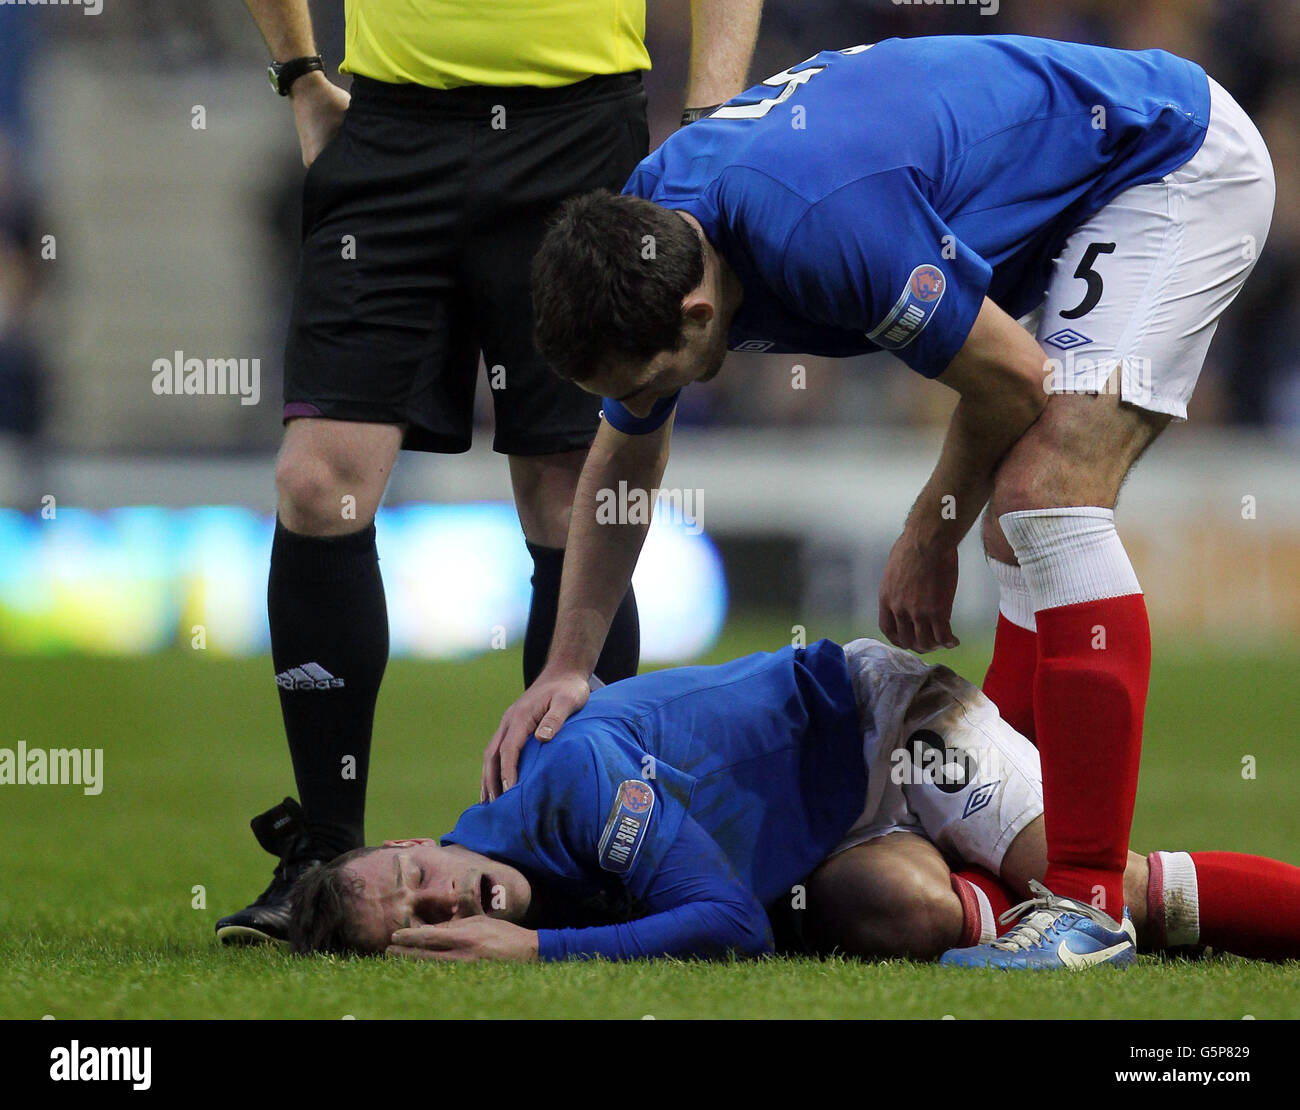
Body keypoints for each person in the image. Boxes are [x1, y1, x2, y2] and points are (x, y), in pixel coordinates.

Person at [482, 35, 1276, 968]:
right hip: (1063, 192)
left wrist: (929, 530)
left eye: (658, 382)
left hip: (1166, 160)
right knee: (1020, 538)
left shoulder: (820, 227)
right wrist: (569, 665)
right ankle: (1021, 870)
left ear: (699, 316)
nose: (651, 402)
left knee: (1045, 493)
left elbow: (1013, 381)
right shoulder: (653, 237)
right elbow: (624, 455)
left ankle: (1087, 907)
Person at [216, 0, 764, 945]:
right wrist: (300, 73)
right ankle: (324, 852)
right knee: (317, 482)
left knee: (567, 492)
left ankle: (578, 852)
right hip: (391, 127)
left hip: (579, 127)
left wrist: (709, 111)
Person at [290, 637, 1300, 964]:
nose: (444, 903)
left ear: (418, 840)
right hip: (820, 834)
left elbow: (729, 921)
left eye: (418, 877)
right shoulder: (513, 867)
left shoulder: (572, 794)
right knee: (901, 911)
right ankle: (985, 888)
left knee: (1104, 898)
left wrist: (540, 952)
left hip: (881, 728)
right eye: (421, 923)